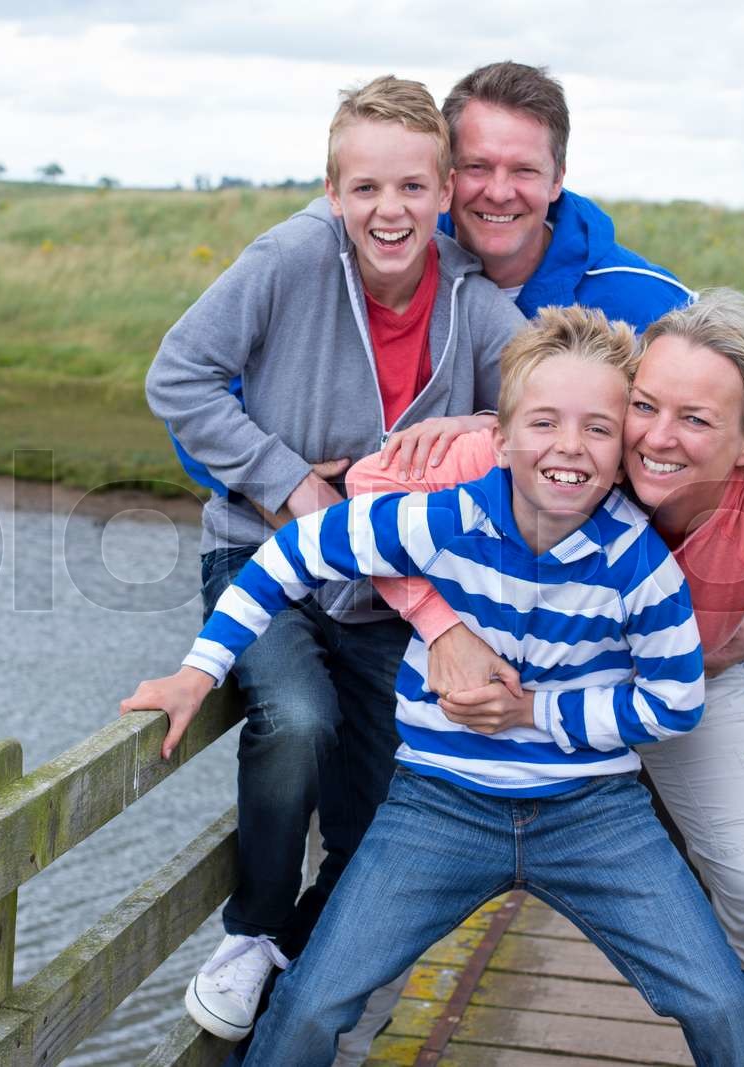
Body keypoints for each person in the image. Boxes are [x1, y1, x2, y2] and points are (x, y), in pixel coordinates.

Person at [125, 306, 744, 1066]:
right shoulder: (442, 521)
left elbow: (675, 700)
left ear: (624, 447)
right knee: (309, 1004)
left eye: (598, 428)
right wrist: (197, 672)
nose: (569, 447)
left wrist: (540, 710)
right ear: (498, 438)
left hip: (595, 812)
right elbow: (290, 555)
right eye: (542, 423)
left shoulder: (642, 567)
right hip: (440, 803)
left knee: (722, 1001)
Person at [358, 288, 744, 1066]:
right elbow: (372, 487)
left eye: (697, 419)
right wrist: (441, 624)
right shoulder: (581, 452)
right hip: (524, 694)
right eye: (644, 405)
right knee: (394, 907)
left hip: (685, 694)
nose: (656, 438)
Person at [143, 75, 524, 1041]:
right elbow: (177, 375)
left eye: (410, 189)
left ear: (444, 192)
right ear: (331, 190)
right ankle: (253, 929)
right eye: (364, 190)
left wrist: (482, 420)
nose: (387, 212)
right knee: (300, 719)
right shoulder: (287, 261)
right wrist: (291, 486)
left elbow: (551, 412)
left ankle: (304, 963)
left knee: (387, 811)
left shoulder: (477, 310)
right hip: (261, 560)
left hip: (390, 596)